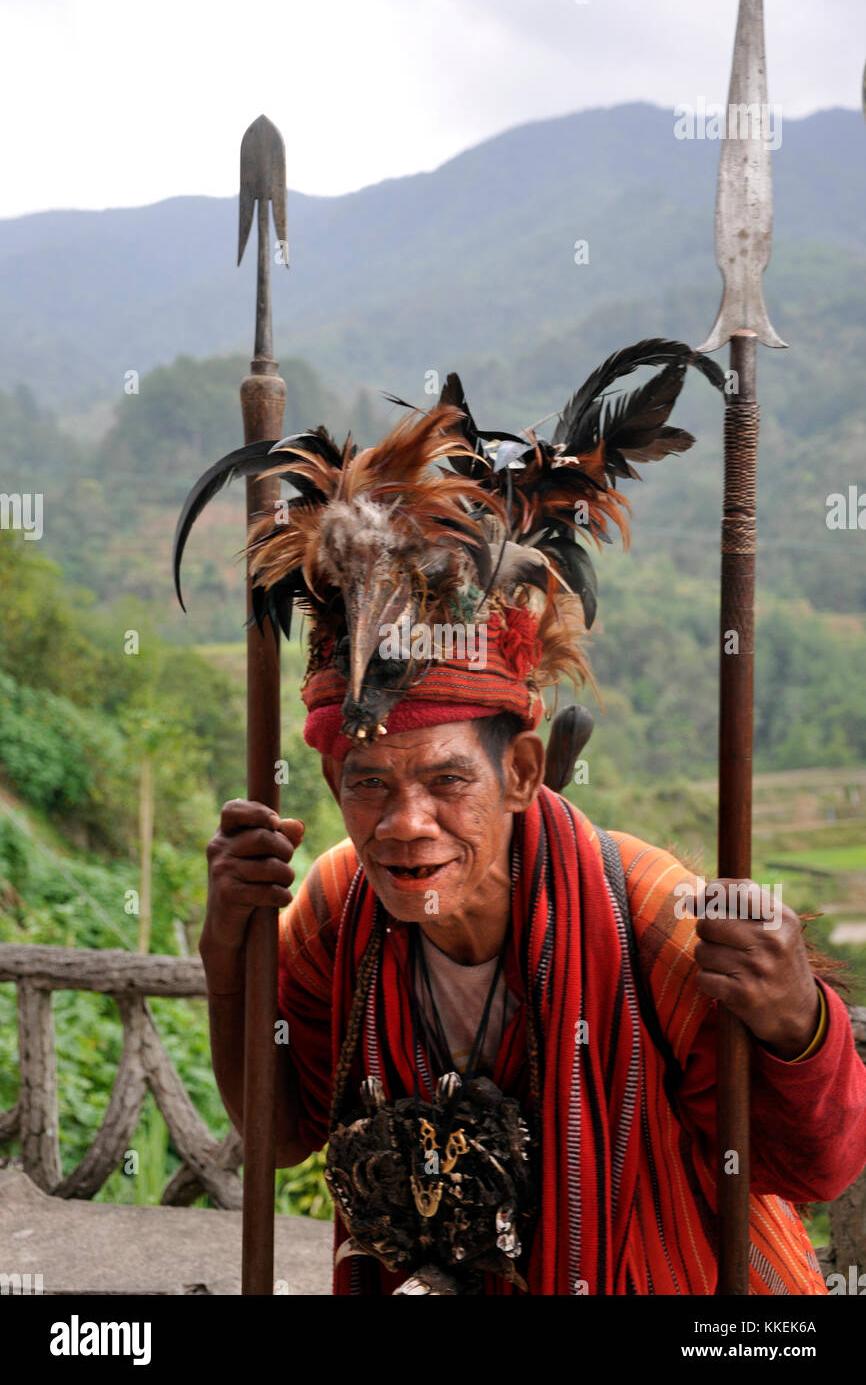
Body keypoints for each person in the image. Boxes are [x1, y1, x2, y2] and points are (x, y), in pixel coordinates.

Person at [188, 344, 866, 1295]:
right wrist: (231, 953)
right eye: (367, 782)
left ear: (523, 773)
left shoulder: (650, 916)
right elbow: (281, 1134)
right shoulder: (338, 907)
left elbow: (817, 1169)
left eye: (445, 782)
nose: (403, 823)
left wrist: (797, 1020)